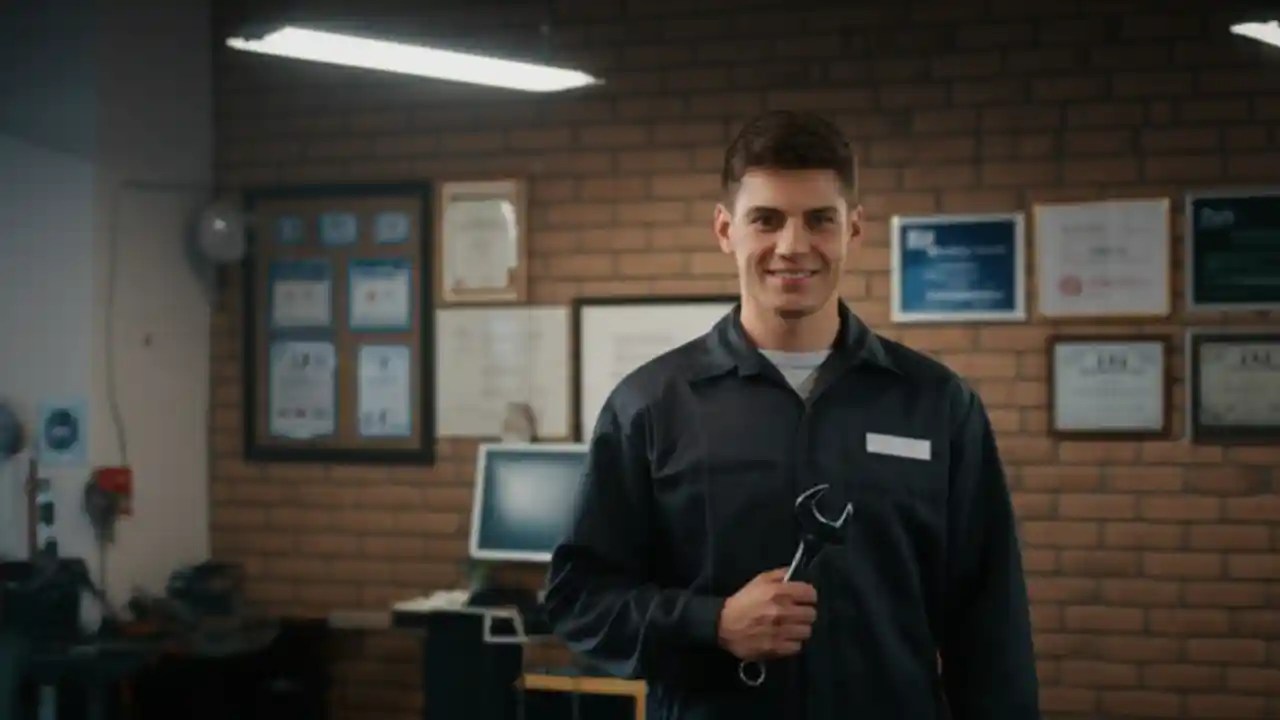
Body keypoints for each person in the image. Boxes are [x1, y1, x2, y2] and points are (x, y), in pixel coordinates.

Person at [542, 110, 1039, 719]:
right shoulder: (649, 405)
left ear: (854, 229)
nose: (793, 246)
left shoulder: (937, 403)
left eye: (819, 219)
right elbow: (581, 601)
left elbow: (992, 626)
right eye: (767, 219)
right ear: (725, 230)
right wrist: (712, 623)